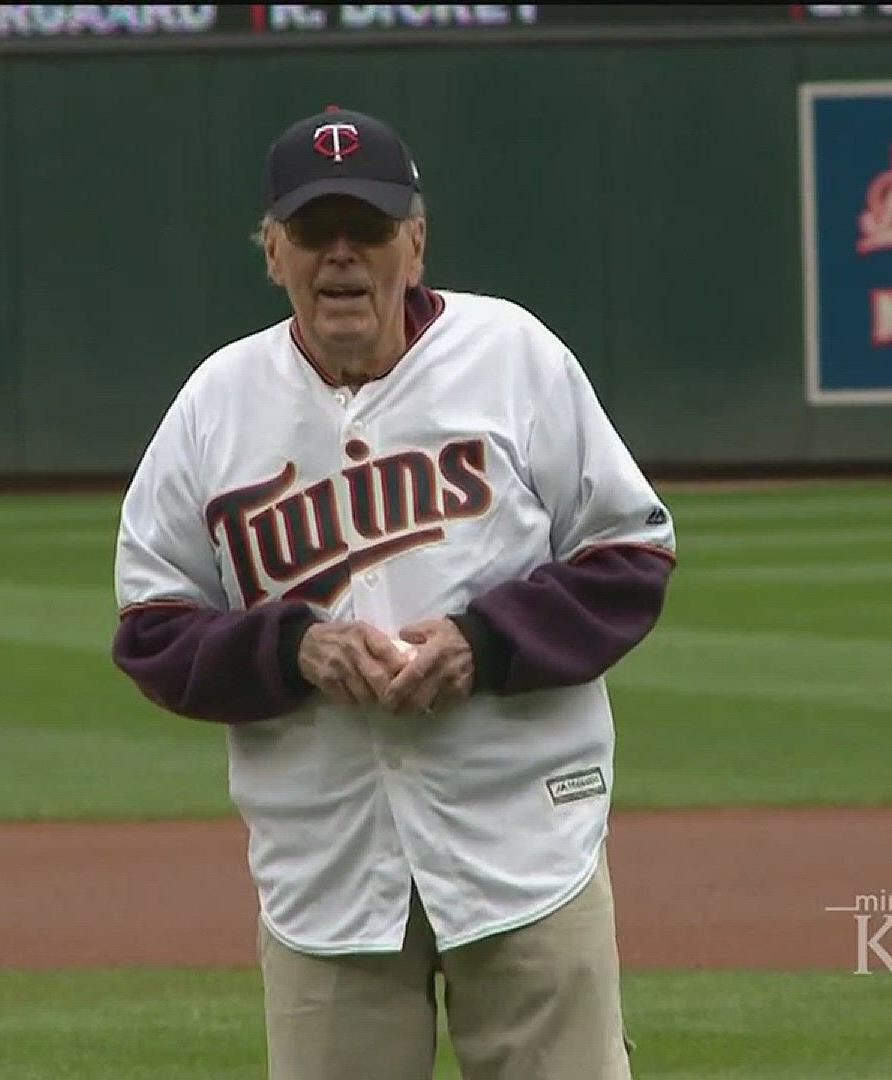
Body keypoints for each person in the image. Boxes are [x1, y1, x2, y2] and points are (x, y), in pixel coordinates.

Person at [111, 105, 677, 1080]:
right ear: (272, 252)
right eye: (314, 234)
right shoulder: (218, 404)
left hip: (522, 836)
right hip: (329, 861)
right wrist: (293, 650)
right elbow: (153, 629)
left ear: (413, 244)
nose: (342, 257)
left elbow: (630, 556)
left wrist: (484, 642)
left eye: (367, 230)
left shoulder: (513, 358)